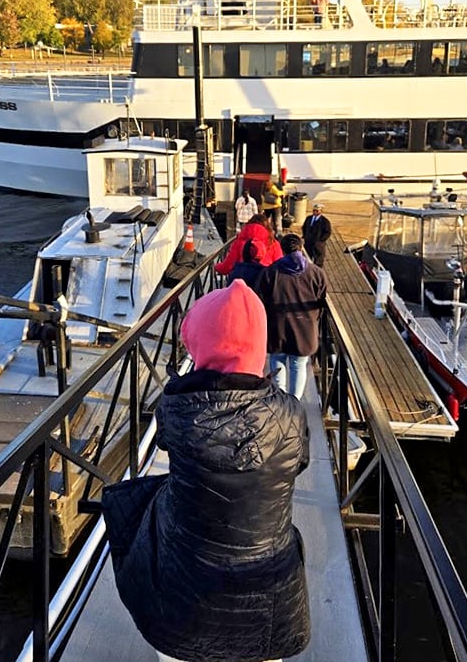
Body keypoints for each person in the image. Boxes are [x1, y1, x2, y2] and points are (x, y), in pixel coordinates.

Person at [102, 280, 311, 662]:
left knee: (139, 500)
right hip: (269, 596)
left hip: (186, 597)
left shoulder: (177, 410)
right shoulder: (291, 414)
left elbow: (167, 442)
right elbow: (299, 463)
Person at [256, 233, 327, 400]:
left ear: (282, 250)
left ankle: (280, 400)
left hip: (277, 327)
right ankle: (295, 402)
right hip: (305, 329)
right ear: (301, 248)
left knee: (277, 360)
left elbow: (260, 300)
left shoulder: (270, 272)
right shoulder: (317, 273)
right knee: (298, 365)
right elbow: (322, 301)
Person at [214, 213, 283, 278]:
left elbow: (228, 265)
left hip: (242, 279)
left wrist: (216, 267)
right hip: (265, 279)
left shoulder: (239, 242)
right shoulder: (273, 243)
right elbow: (279, 266)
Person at [301, 203, 331, 268]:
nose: (315, 212)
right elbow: (304, 227)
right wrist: (305, 236)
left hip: (318, 245)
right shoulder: (309, 218)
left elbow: (327, 232)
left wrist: (320, 240)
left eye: (317, 211)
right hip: (308, 243)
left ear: (321, 211)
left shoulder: (324, 221)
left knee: (318, 262)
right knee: (307, 259)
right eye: (314, 210)